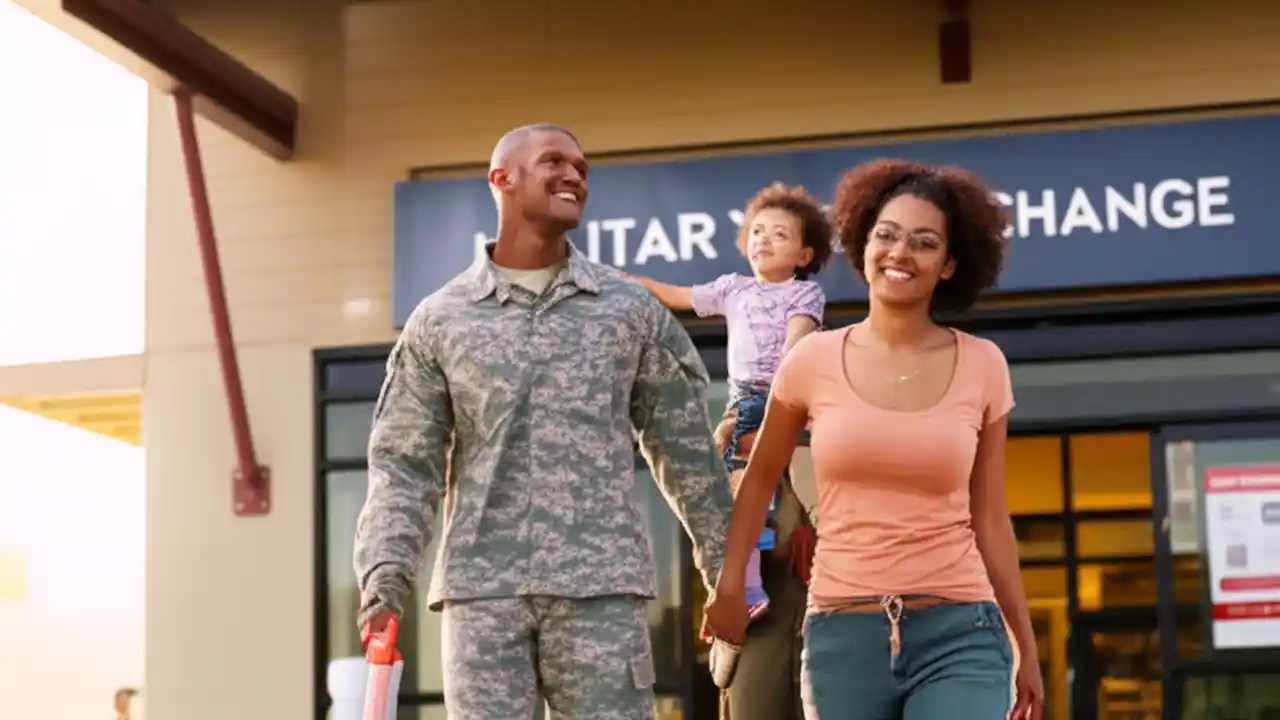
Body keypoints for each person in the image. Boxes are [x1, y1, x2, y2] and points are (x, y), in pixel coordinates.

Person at [352, 123, 734, 720]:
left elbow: (686, 453)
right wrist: (386, 577)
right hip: (483, 595)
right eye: (554, 161)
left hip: (600, 593)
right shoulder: (441, 321)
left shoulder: (628, 310)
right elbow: (405, 463)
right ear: (501, 180)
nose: (575, 176)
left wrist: (727, 571)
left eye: (582, 168)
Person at [704, 158, 1045, 720]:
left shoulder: (984, 365)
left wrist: (1025, 646)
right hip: (844, 631)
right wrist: (728, 588)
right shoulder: (811, 360)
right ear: (863, 245)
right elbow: (760, 474)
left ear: (950, 263)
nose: (900, 253)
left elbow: (989, 516)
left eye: (924, 242)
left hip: (961, 628)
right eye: (886, 235)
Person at [631, 182, 831, 620]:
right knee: (739, 499)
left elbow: (799, 338)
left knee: (817, 494)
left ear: (804, 255)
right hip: (744, 405)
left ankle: (838, 567)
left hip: (790, 397)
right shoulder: (732, 289)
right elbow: (676, 295)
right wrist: (630, 283)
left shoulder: (803, 293)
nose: (765, 239)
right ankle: (749, 587)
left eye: (780, 234)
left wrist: (786, 389)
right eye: (758, 231)